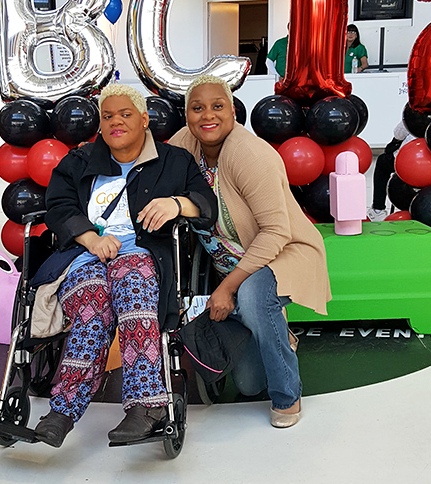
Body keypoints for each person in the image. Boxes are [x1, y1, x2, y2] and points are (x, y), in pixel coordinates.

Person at [34, 83, 218, 448]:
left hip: (144, 254)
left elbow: (207, 205)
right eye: (107, 116)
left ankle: (146, 407)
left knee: (132, 287)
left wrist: (178, 204)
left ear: (145, 120)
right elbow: (57, 207)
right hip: (86, 256)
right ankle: (62, 410)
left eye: (125, 114)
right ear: (100, 126)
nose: (116, 121)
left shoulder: (173, 160)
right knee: (91, 305)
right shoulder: (80, 161)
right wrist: (90, 238)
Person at [170, 76, 331, 427]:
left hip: (282, 253)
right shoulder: (184, 144)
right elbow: (154, 173)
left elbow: (276, 232)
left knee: (254, 294)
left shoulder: (251, 154)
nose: (207, 116)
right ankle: (276, 332)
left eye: (217, 106)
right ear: (186, 115)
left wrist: (227, 288)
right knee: (247, 385)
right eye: (197, 108)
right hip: (226, 265)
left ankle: (287, 395)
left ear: (232, 111)